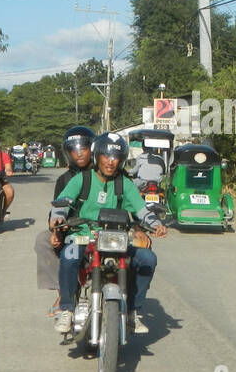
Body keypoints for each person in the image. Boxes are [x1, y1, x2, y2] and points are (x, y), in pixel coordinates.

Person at [52, 132, 167, 336]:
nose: (111, 162)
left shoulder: (125, 184)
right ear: (97, 156)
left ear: (122, 160)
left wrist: (155, 223)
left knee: (148, 259)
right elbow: (63, 201)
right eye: (106, 156)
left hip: (118, 237)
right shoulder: (82, 179)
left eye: (116, 157)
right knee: (68, 257)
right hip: (83, 235)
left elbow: (142, 211)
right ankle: (67, 309)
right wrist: (59, 216)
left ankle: (133, 310)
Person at [35, 126, 95, 316]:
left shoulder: (106, 174)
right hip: (72, 230)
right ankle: (64, 293)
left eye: (83, 148)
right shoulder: (64, 179)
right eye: (73, 149)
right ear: (67, 153)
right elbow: (56, 210)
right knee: (43, 240)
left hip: (101, 230)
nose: (79, 153)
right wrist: (56, 231)